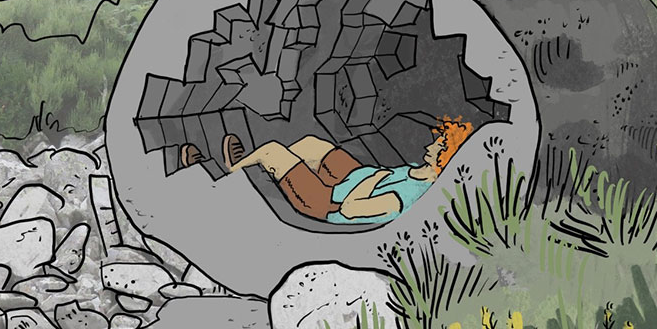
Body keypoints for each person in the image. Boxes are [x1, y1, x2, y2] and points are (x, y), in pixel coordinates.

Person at [186, 116, 475, 224]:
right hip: (352, 176)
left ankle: (230, 171)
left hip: (328, 202)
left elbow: (350, 210)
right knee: (312, 144)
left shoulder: (407, 197)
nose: (433, 143)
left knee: (271, 150)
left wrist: (373, 178)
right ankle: (276, 172)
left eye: (440, 143)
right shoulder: (418, 170)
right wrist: (370, 175)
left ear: (446, 156)